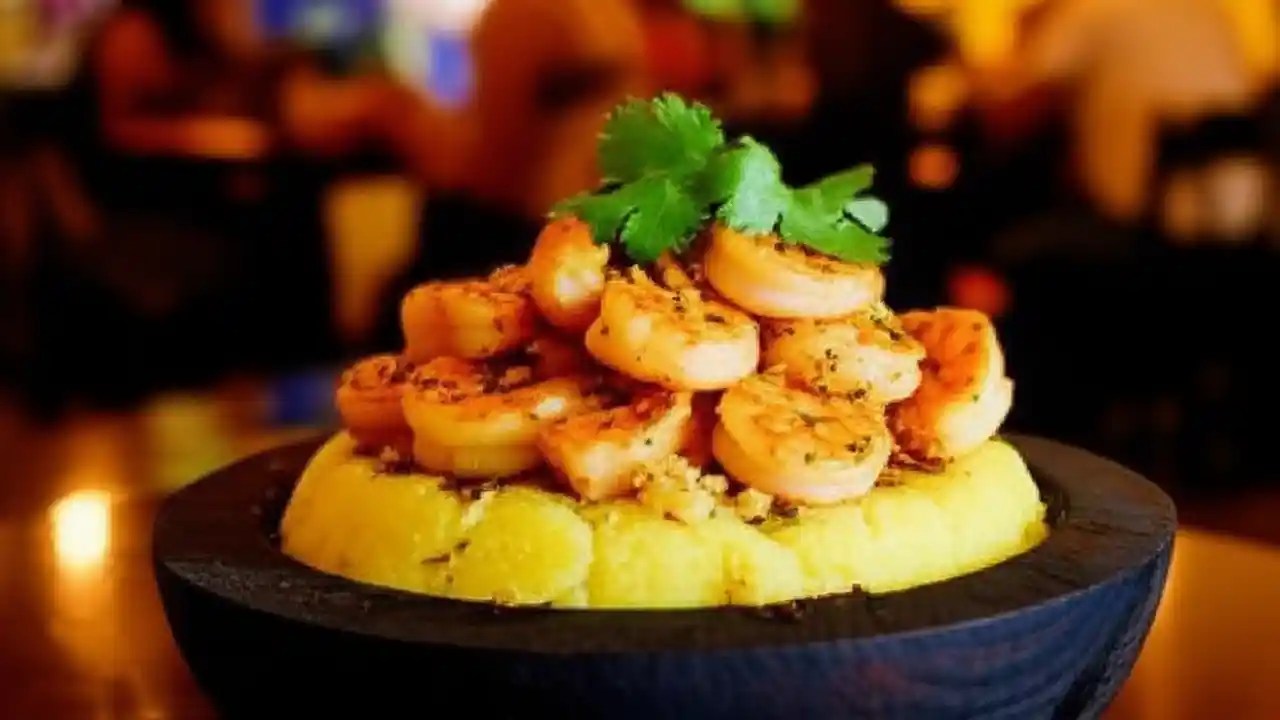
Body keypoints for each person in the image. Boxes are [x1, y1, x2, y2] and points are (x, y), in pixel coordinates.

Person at [79, 0, 464, 188]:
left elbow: (247, 64)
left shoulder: (216, 25)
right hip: (248, 135)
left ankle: (462, 197)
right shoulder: (133, 32)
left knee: (394, 103)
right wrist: (226, 138)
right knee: (386, 108)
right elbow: (119, 131)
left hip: (271, 116)